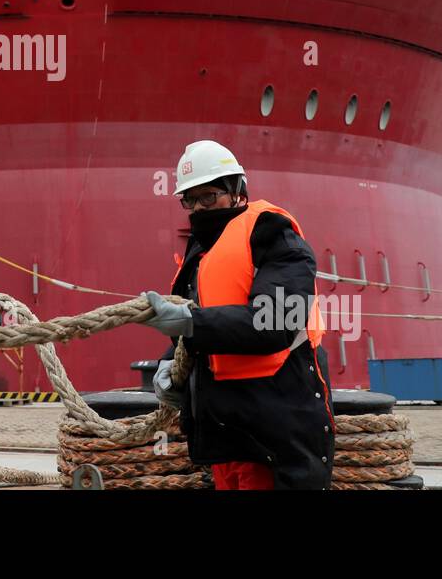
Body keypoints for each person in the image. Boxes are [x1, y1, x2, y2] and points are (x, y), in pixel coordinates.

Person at [141, 140, 335, 490]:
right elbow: (201, 328)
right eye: (190, 200)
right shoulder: (200, 252)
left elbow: (275, 322)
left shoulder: (273, 235)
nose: (200, 208)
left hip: (275, 439)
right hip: (225, 438)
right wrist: (171, 364)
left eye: (209, 196)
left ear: (235, 191)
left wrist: (189, 324)